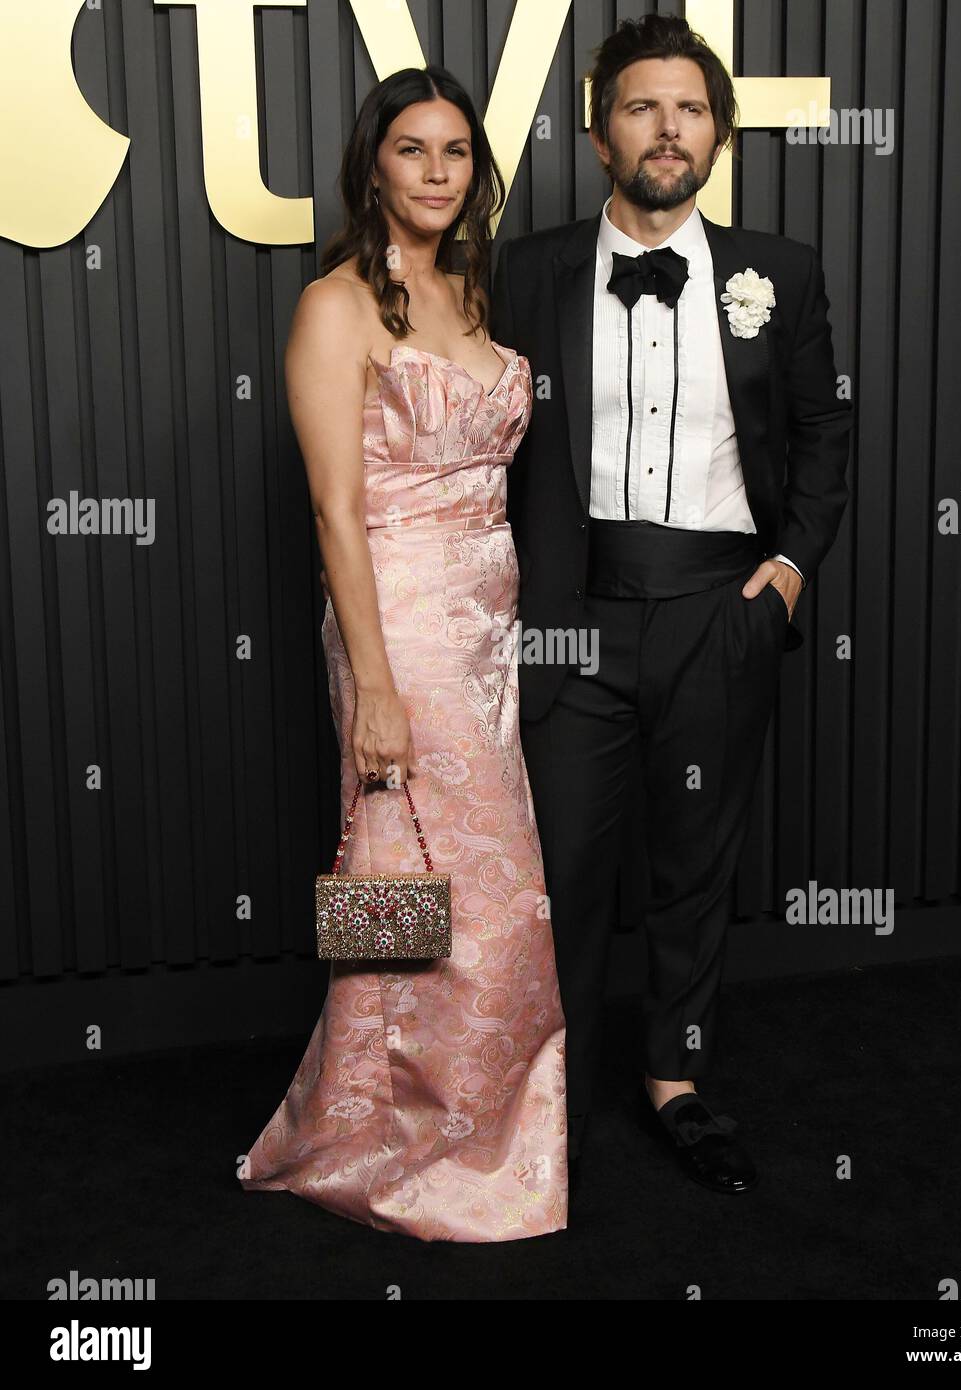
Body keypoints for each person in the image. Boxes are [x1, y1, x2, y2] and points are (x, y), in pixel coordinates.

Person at [490, 13, 852, 1193]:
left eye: (689, 109)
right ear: (599, 135)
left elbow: (820, 431)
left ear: (716, 136)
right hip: (573, 612)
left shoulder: (777, 273)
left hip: (715, 612)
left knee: (695, 865)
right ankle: (555, 1100)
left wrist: (787, 573)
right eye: (642, 107)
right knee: (566, 869)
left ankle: (675, 1082)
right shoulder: (528, 269)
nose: (667, 128)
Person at [238, 66, 567, 1242]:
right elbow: (335, 511)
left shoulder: (471, 290)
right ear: (372, 165)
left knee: (470, 882)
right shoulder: (334, 305)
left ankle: (461, 1123)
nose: (437, 173)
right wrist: (372, 683)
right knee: (422, 878)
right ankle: (402, 1135)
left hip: (490, 622)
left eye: (456, 153)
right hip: (403, 621)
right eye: (414, 151)